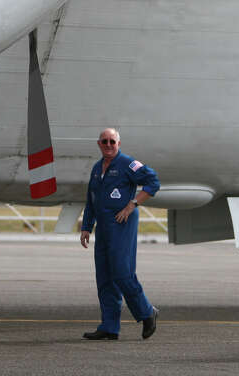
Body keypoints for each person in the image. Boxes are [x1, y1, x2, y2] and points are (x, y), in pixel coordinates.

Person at [80, 128, 160, 340]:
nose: (108, 145)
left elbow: (153, 182)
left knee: (122, 273)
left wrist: (132, 204)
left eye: (112, 142)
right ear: (99, 144)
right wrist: (86, 227)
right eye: (104, 141)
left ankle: (147, 312)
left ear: (119, 143)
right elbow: (91, 200)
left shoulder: (128, 164)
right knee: (104, 277)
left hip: (121, 224)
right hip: (104, 228)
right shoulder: (97, 169)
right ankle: (109, 326)